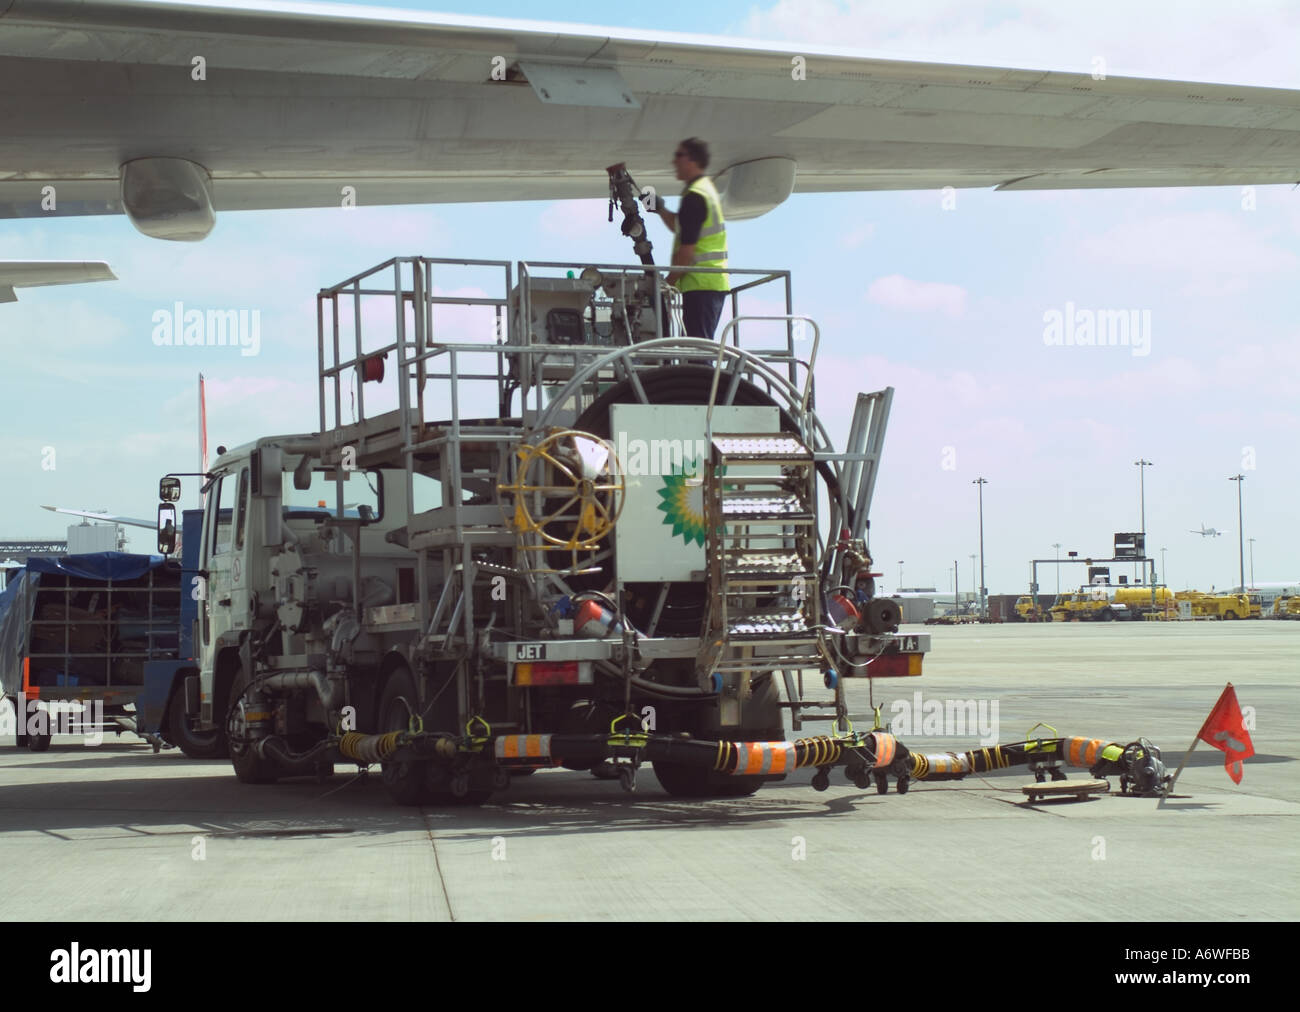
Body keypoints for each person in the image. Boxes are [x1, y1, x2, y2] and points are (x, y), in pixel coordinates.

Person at [653, 137, 729, 339]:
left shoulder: (694, 197)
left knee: (698, 352)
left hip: (702, 286)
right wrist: (659, 209)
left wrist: (667, 283)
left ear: (692, 160)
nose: (674, 161)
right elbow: (681, 227)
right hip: (708, 285)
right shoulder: (703, 190)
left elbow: (687, 251)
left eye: (679, 155)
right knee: (698, 350)